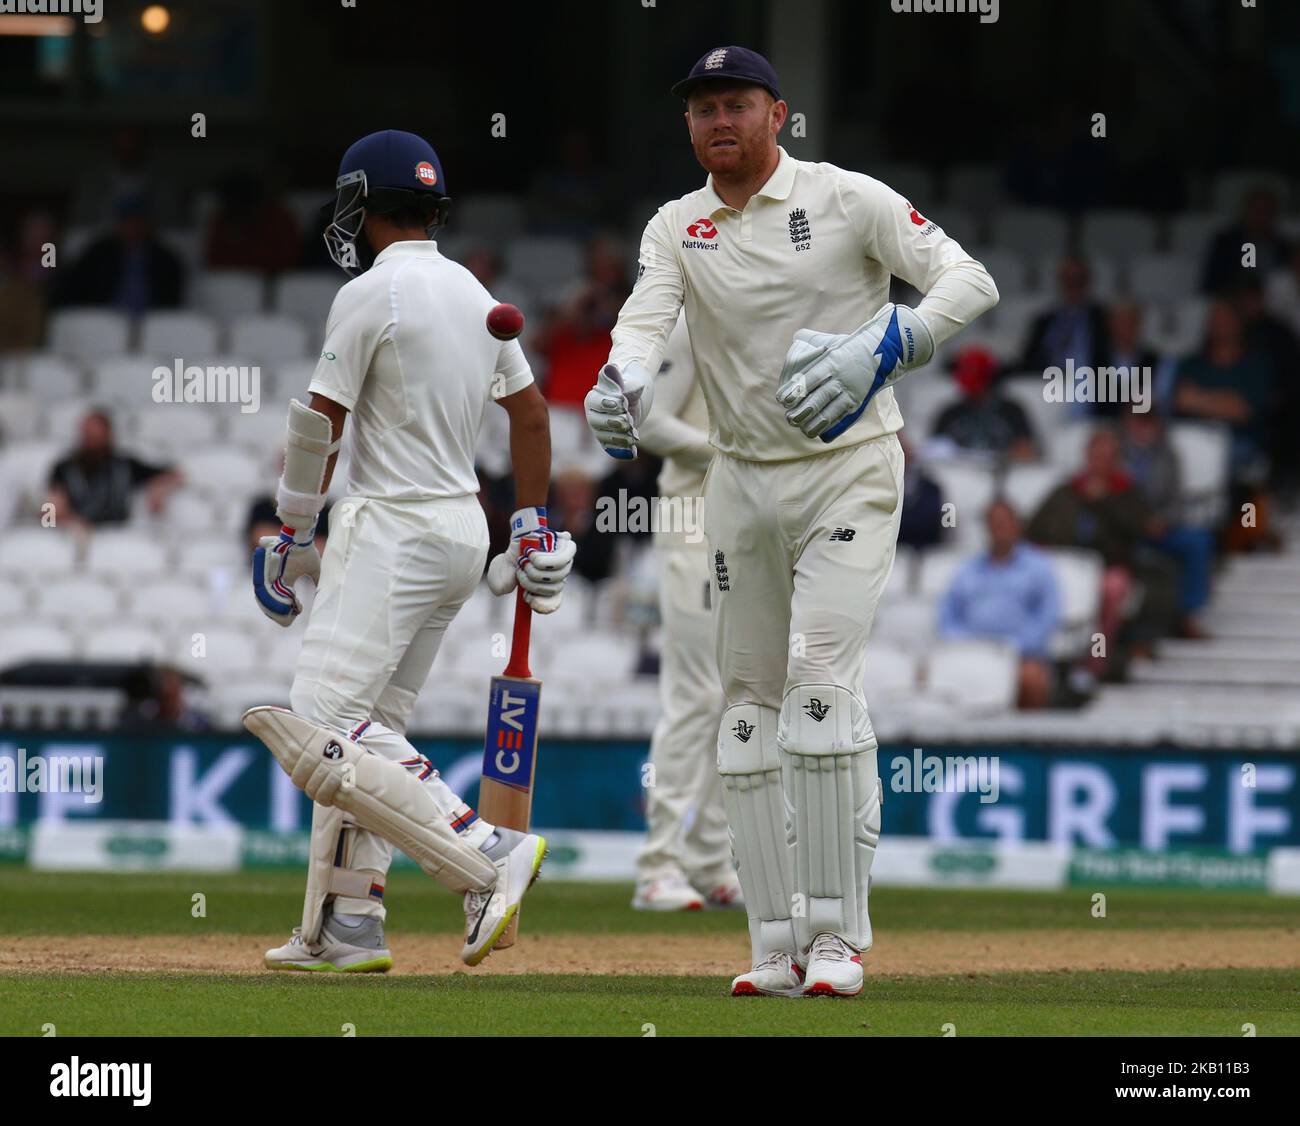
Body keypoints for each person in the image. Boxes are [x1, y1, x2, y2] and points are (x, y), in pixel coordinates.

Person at [585, 46, 998, 997]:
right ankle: (773, 945)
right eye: (700, 110)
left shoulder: (847, 198)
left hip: (847, 472)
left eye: (735, 105)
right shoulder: (677, 224)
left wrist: (888, 343)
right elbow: (647, 318)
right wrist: (622, 378)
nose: (716, 123)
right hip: (738, 481)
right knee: (746, 714)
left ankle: (838, 939)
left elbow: (968, 279)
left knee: (819, 693)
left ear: (778, 113)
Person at [241, 130, 577, 973]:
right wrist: (529, 522)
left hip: (392, 527)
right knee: (370, 726)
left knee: (320, 720)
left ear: (363, 205)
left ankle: (484, 852)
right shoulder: (474, 292)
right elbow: (532, 417)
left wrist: (291, 530)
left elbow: (319, 422)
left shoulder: (370, 292)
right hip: (463, 530)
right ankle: (348, 923)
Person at [633, 314, 741, 911]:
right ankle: (659, 865)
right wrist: (726, 451)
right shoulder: (692, 325)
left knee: (739, 696)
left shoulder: (772, 316)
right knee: (696, 696)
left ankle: (709, 858)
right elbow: (647, 419)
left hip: (748, 529)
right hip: (692, 526)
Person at [1027, 428, 1178, 673]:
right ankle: (1047, 656)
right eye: (1096, 456)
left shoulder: (1127, 492)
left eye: (1107, 457)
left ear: (1116, 461)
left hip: (1110, 568)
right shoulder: (1065, 492)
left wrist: (1104, 502)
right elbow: (1034, 530)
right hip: (1064, 567)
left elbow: (1141, 530)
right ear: (1086, 456)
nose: (1100, 463)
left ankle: (1097, 659)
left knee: (1112, 588)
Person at [938, 500, 1060, 709]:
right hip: (972, 651)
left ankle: (1027, 738)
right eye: (994, 523)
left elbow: (1047, 616)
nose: (999, 529)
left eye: (1004, 523)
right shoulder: (968, 569)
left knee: (1031, 680)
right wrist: (965, 644)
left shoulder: (1038, 567)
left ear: (1017, 525)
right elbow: (948, 616)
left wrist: (1012, 649)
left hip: (1021, 656)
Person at [47, 409, 182, 531]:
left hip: (118, 533)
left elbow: (175, 474)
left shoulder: (125, 465)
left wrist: (160, 489)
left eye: (96, 437)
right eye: (88, 435)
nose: (92, 442)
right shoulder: (64, 468)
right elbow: (51, 507)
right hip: (76, 532)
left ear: (108, 435)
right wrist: (59, 514)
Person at [53, 193, 184, 314]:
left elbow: (170, 305)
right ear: (118, 223)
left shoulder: (166, 260)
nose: (132, 227)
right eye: (127, 221)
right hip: (103, 321)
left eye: (138, 221)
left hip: (150, 325)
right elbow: (79, 291)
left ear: (148, 223)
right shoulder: (97, 253)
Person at [1019, 256, 1110, 394]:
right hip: (1045, 385)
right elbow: (1028, 361)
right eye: (1068, 281)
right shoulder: (1043, 322)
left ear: (1088, 283)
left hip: (1088, 386)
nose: (1073, 286)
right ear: (1060, 283)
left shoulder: (1102, 320)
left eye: (1078, 280)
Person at [931, 345, 1037, 460]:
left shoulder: (1012, 410)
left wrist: (1006, 457)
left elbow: (1028, 450)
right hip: (955, 473)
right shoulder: (949, 413)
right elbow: (932, 450)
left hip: (1001, 472)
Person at [1202, 186, 1291, 296]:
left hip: (1274, 302)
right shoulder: (1226, 243)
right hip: (1233, 301)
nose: (1261, 217)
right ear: (1246, 211)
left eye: (1266, 211)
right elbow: (1212, 281)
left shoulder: (1284, 247)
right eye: (1257, 211)